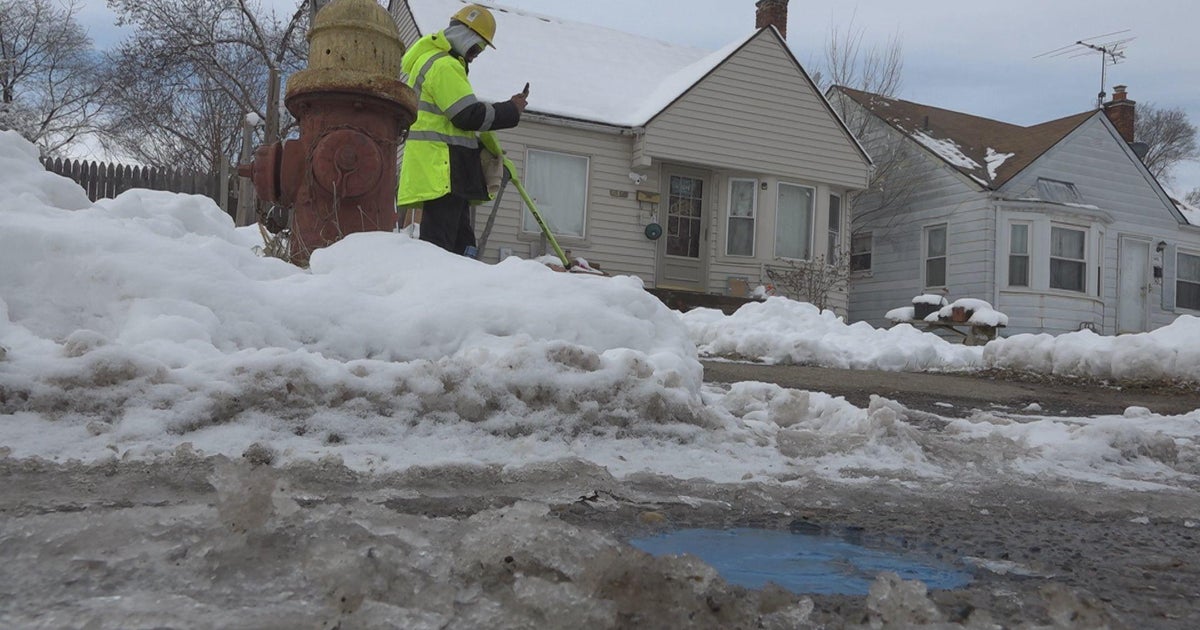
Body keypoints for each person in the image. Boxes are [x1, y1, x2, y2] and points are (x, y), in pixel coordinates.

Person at [397, 4, 528, 256]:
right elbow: (466, 115)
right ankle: (437, 291)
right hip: (443, 168)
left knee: (461, 245)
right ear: (465, 36)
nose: (476, 55)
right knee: (442, 249)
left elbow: (448, 122)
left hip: (444, 168)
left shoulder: (434, 63)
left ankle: (458, 290)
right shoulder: (445, 66)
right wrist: (512, 109)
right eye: (477, 47)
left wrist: (483, 150)